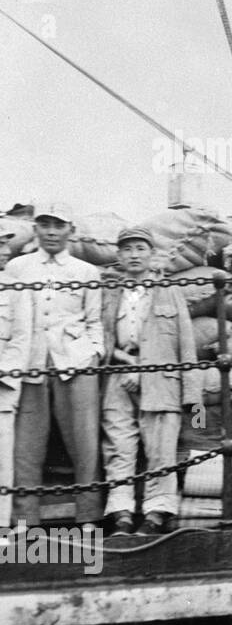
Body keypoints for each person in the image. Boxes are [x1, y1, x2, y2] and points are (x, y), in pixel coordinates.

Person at [7, 203, 104, 529]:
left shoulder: (86, 272)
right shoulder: (18, 268)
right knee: (26, 443)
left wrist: (93, 353)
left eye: (58, 225)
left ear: (70, 230)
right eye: (44, 224)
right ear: (35, 229)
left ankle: (88, 515)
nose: (51, 231)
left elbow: (95, 321)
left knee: (84, 439)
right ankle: (24, 518)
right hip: (30, 362)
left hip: (75, 361)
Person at [100, 227, 202, 535]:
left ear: (151, 254)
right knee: (119, 446)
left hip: (161, 382)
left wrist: (193, 400)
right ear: (119, 256)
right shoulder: (109, 294)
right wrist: (126, 361)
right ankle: (121, 513)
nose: (133, 254)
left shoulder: (170, 292)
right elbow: (101, 337)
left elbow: (186, 344)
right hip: (119, 376)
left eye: (140, 248)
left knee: (161, 450)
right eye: (127, 249)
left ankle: (157, 513)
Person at [0, 228, 33, 528]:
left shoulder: (15, 289)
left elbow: (22, 337)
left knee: (1, 463)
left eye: (4, 243)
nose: (5, 250)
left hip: (2, 389)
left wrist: (4, 370)